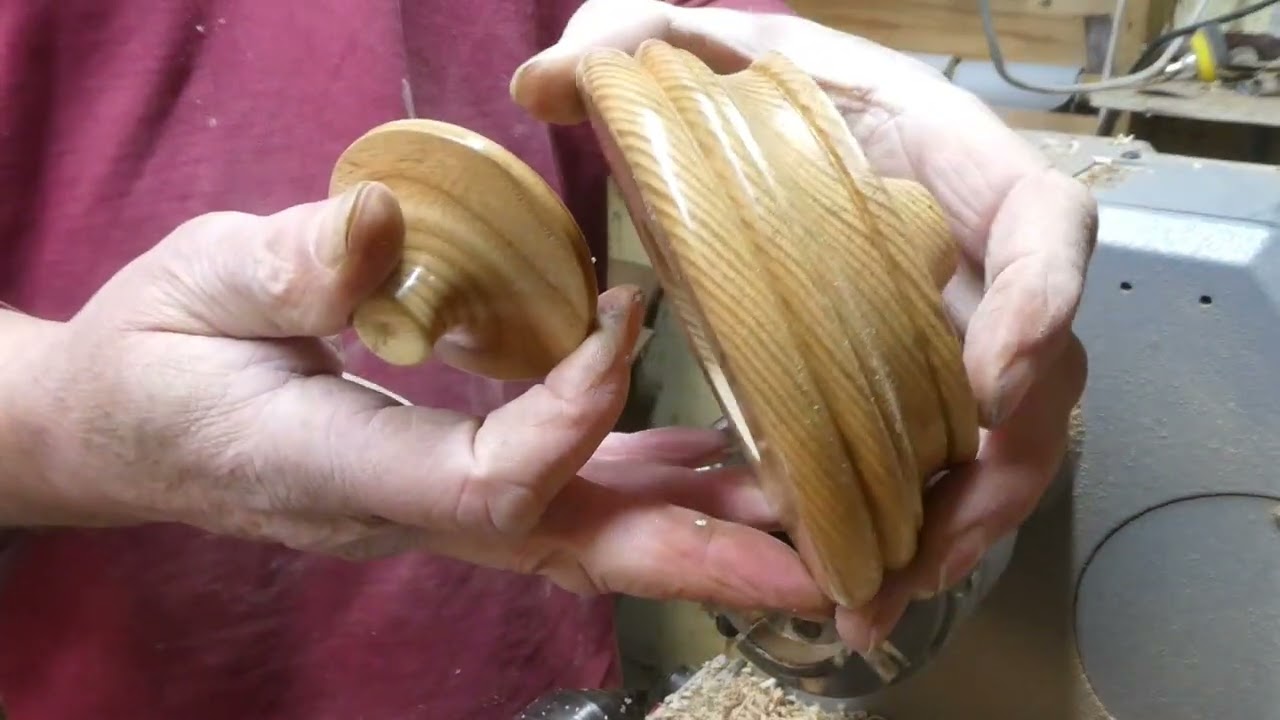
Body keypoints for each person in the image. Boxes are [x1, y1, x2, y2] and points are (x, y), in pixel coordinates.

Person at [0, 0, 1093, 717]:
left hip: (536, 613)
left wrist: (791, 85)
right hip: (131, 665)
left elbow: (621, 33)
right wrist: (60, 421)